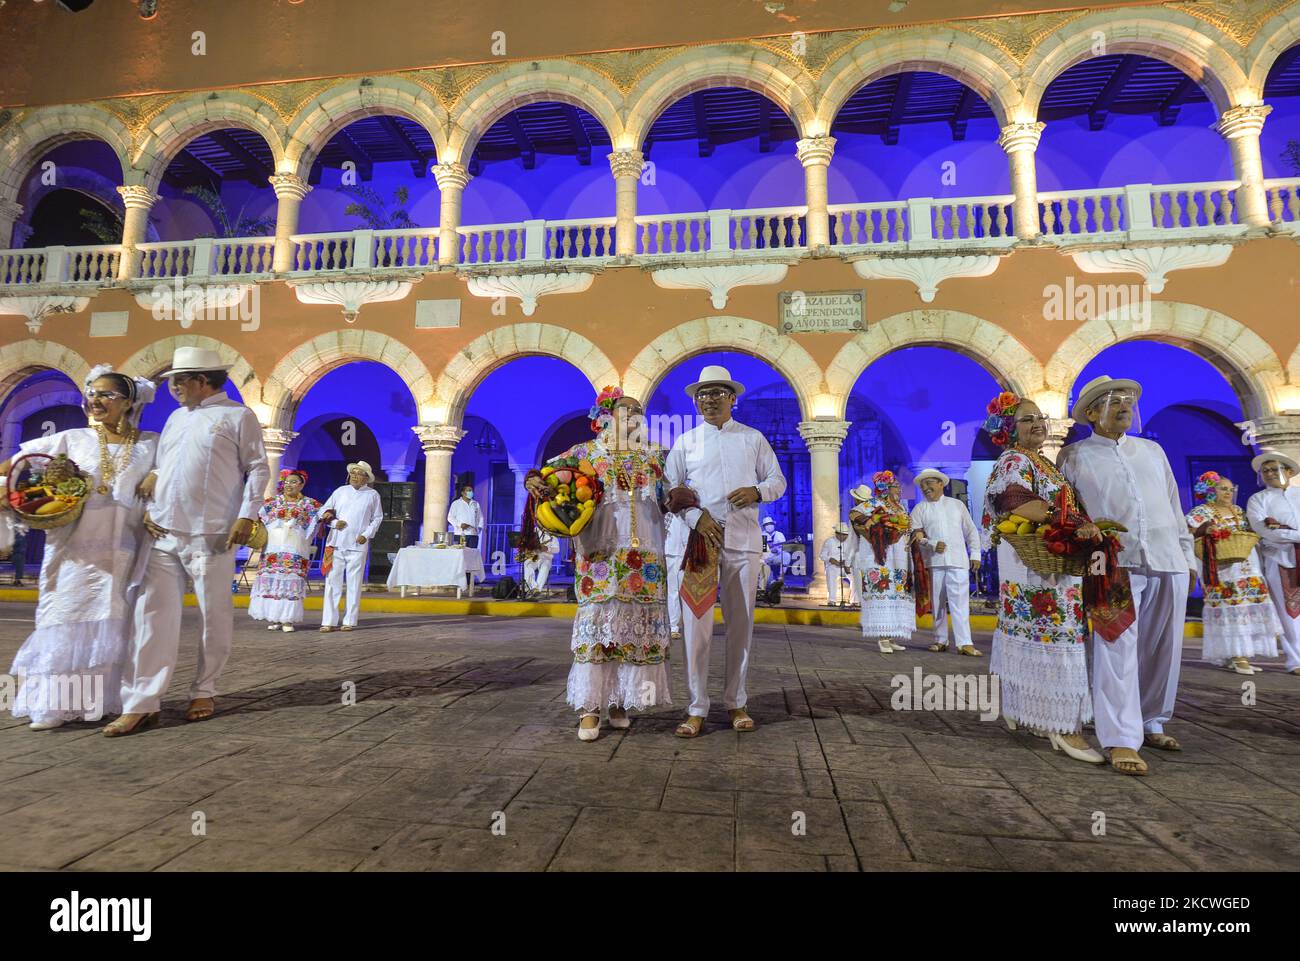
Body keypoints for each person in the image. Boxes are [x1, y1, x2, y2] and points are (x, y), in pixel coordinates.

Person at [108, 347, 269, 736]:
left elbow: (258, 467)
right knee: (153, 617)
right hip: (163, 532)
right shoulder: (176, 418)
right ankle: (142, 702)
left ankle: (204, 690)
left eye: (179, 380)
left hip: (212, 533)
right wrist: (154, 486)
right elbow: (168, 464)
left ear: (201, 380)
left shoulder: (238, 416)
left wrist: (247, 515)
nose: (173, 387)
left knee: (214, 616)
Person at [3, 366, 157, 730]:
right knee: (65, 618)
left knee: (113, 625)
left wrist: (157, 474)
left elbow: (176, 472)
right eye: (91, 394)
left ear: (128, 403)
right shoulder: (70, 440)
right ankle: (52, 706)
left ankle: (100, 702)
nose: (95, 401)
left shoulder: (151, 444)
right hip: (74, 550)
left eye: (106, 395)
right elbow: (12, 466)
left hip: (124, 550)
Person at [1057, 375, 1195, 775]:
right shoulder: (1075, 456)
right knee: (1115, 646)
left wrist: (1187, 556)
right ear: (1092, 412)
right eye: (1114, 402)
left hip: (1167, 558)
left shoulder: (1152, 451)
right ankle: (1120, 738)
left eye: (1128, 402)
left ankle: (1151, 719)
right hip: (1112, 564)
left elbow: (1173, 503)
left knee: (1162, 649)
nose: (1124, 408)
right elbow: (1068, 513)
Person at [525, 388, 672, 740]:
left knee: (631, 629)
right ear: (608, 417)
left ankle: (620, 702)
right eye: (626, 412)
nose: (634, 417)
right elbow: (548, 478)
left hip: (646, 560)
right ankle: (589, 709)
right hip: (600, 558)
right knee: (597, 629)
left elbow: (673, 496)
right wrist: (535, 481)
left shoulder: (657, 458)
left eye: (639, 412)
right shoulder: (584, 454)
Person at [979, 391, 1104, 765]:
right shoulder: (1015, 460)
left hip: (1052, 560)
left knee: (1044, 634)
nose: (1037, 424)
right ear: (1009, 430)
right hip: (1036, 564)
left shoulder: (1041, 461)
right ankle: (1064, 726)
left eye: (1039, 418)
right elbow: (1014, 500)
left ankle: (1035, 712)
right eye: (1027, 419)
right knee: (1055, 634)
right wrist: (1072, 522)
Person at [665, 365, 786, 737]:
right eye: (703, 394)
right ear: (696, 401)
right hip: (699, 546)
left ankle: (736, 701)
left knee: (741, 626)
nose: (709, 399)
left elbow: (777, 481)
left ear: (733, 398)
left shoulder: (753, 439)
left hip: (744, 543)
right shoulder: (686, 442)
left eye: (717, 392)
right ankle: (697, 707)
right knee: (695, 629)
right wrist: (693, 516)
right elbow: (669, 489)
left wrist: (757, 492)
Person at [1187, 472, 1280, 675]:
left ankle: (1239, 655)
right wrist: (1205, 530)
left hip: (1247, 565)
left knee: (1248, 607)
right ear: (1211, 491)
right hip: (1222, 569)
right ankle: (1238, 656)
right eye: (1223, 488)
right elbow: (1187, 533)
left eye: (1230, 489)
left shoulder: (1238, 510)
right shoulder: (1200, 512)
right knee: (1232, 609)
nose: (1228, 492)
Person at [910, 468, 982, 655]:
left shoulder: (957, 505)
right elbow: (916, 536)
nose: (926, 488)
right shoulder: (920, 509)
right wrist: (931, 544)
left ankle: (964, 642)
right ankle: (940, 640)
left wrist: (975, 553)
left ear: (941, 484)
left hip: (958, 559)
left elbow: (971, 531)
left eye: (930, 483)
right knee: (938, 603)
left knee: (960, 602)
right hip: (934, 562)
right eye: (923, 485)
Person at [1245, 450, 1300, 676]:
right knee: (1289, 611)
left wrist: (1291, 532)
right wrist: (1295, 536)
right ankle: (1295, 660)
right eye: (1265, 470)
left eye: (1274, 469)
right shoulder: (1258, 500)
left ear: (1288, 471)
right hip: (1280, 559)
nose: (1269, 474)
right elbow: (1265, 531)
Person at [249, 468, 321, 633]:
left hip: (295, 548)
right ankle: (274, 618)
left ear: (302, 485)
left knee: (291, 580)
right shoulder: (272, 502)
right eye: (287, 482)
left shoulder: (309, 504)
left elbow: (323, 515)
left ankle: (287, 619)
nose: (289, 485)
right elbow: (256, 516)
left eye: (294, 482)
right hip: (273, 548)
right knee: (273, 580)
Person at [851, 470, 916, 654]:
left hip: (900, 559)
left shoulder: (900, 507)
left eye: (899, 486)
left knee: (896, 595)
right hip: (881, 558)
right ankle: (882, 638)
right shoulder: (874, 503)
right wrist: (873, 520)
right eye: (896, 486)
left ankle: (892, 636)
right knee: (884, 594)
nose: (899, 490)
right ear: (886, 489)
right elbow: (854, 514)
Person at [319, 461, 384, 633]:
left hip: (357, 545)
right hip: (335, 544)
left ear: (366, 478)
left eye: (359, 473)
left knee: (354, 584)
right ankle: (328, 621)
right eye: (353, 473)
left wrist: (366, 534)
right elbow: (323, 510)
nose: (355, 476)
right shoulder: (340, 491)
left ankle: (349, 620)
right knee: (332, 583)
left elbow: (377, 518)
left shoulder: (372, 494)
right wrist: (333, 522)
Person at [665, 511, 688, 639]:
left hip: (682, 553)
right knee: (672, 591)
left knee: (682, 591)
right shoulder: (667, 510)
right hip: (668, 552)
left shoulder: (687, 510)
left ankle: (680, 625)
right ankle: (673, 626)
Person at [819, 521, 853, 606]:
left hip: (846, 566)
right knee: (831, 572)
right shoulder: (829, 542)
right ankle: (832, 600)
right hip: (833, 566)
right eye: (843, 535)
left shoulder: (850, 542)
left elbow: (853, 556)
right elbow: (822, 556)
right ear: (837, 534)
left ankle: (854, 601)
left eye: (846, 535)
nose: (845, 537)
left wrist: (848, 562)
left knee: (856, 575)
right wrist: (830, 559)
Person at [521, 526, 560, 597]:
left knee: (545, 566)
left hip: (546, 558)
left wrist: (547, 548)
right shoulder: (534, 530)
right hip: (535, 556)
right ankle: (534, 588)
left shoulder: (552, 532)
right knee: (526, 564)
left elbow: (557, 550)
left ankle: (537, 590)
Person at [447, 482, 483, 548]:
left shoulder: (476, 504)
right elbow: (450, 517)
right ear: (462, 493)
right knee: (460, 555)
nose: (471, 492)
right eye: (468, 490)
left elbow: (480, 518)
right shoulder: (456, 503)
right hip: (460, 534)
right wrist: (460, 524)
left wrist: (478, 529)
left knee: (472, 555)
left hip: (473, 535)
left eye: (471, 491)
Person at [758, 516, 786, 590]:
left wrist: (777, 550)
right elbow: (762, 549)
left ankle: (780, 577)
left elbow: (783, 547)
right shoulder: (761, 535)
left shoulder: (780, 535)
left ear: (773, 524)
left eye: (770, 524)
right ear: (764, 526)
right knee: (762, 563)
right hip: (765, 557)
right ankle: (768, 584)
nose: (769, 526)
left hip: (777, 556)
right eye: (767, 524)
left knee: (786, 556)